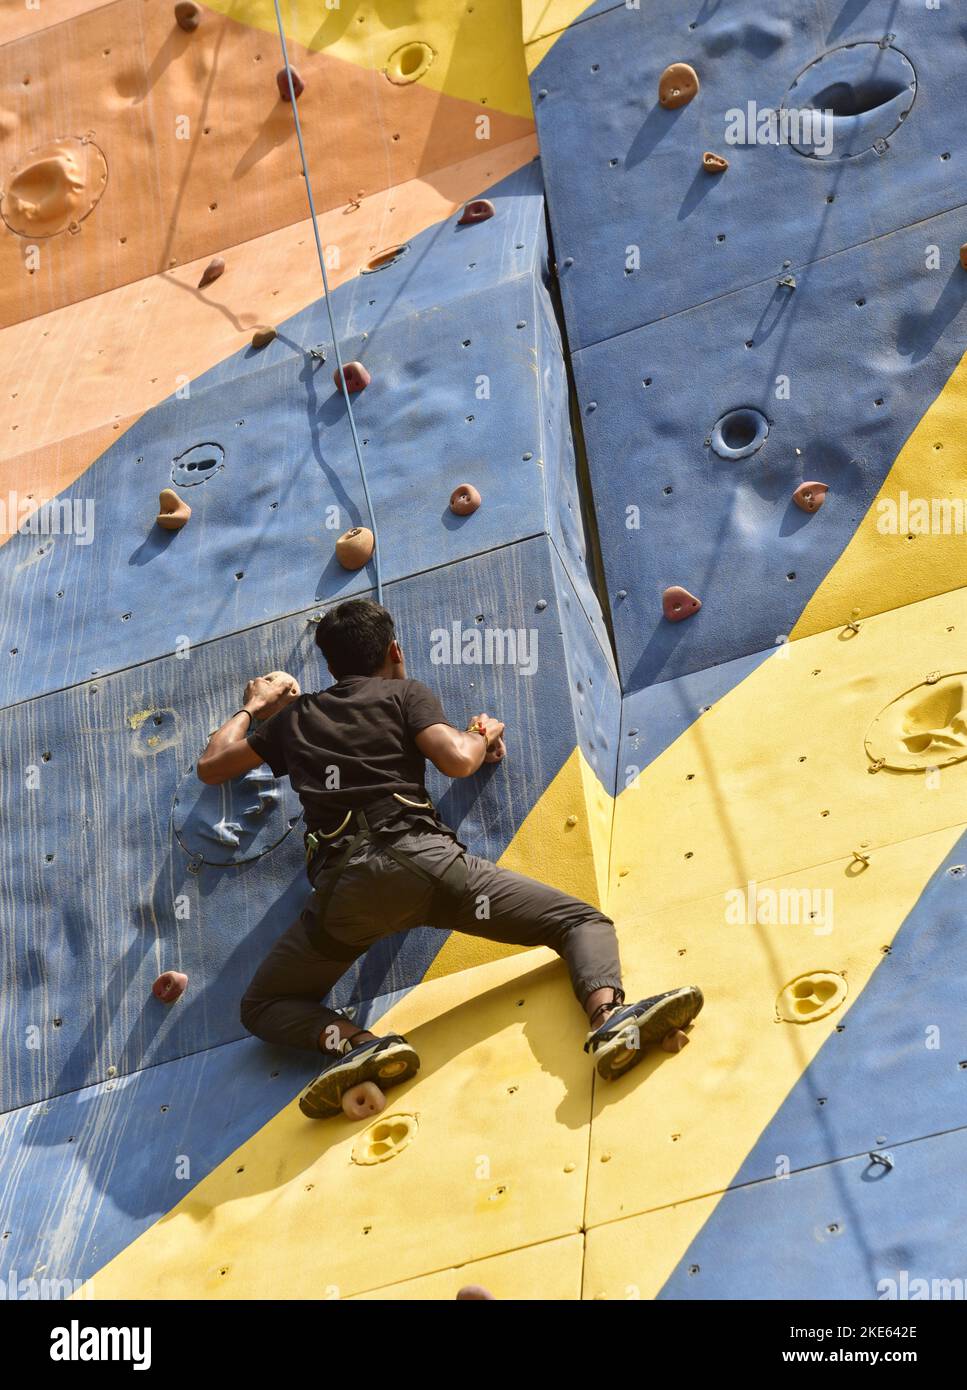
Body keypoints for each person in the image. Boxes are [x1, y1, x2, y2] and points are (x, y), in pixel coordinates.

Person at [196, 599, 702, 1118]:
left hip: (348, 897)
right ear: (394, 649)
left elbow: (213, 766)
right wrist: (482, 735)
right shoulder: (404, 694)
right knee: (579, 922)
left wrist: (256, 705)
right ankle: (607, 1019)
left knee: (263, 1007)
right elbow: (457, 760)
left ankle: (357, 1044)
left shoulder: (297, 717)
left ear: (329, 668)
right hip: (430, 870)